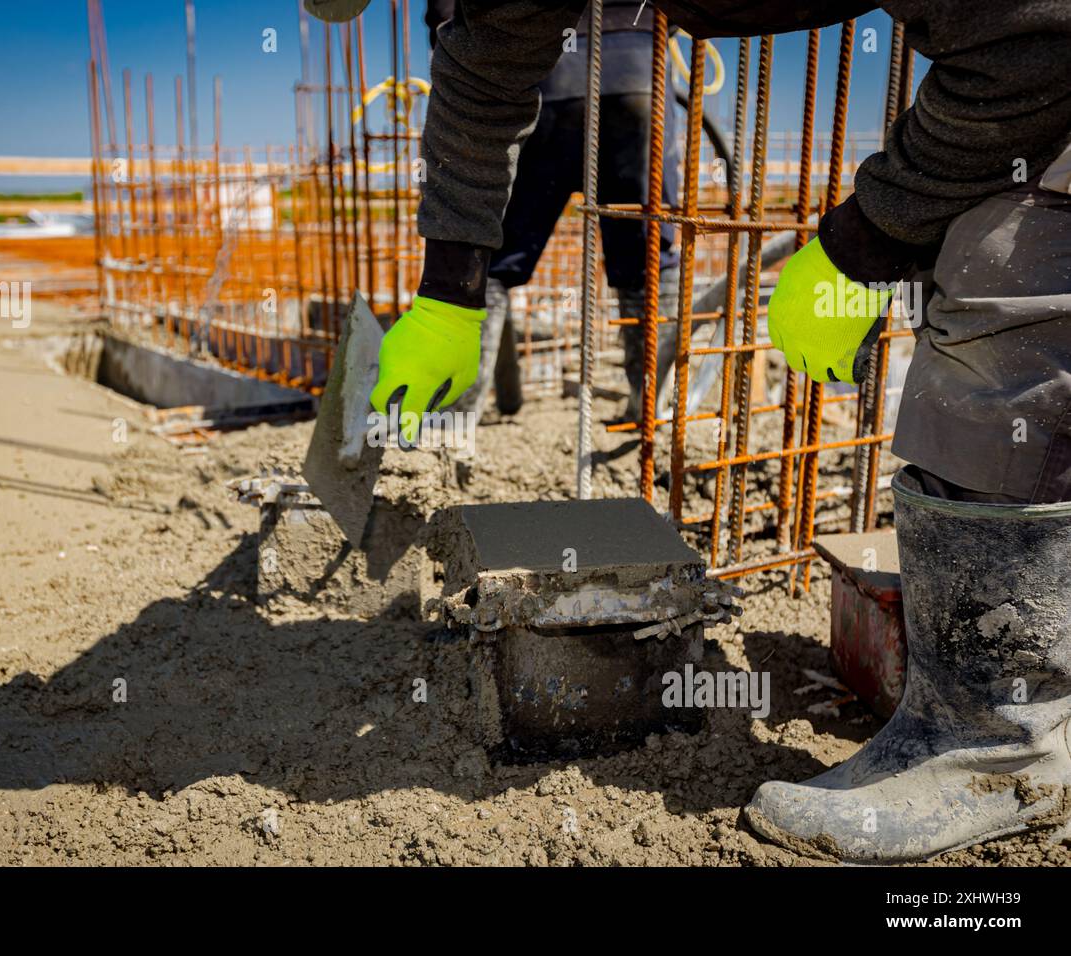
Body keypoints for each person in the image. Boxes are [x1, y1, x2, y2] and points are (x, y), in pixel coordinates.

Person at [307, 0, 1071, 863]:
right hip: (655, 92)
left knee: (1004, 276)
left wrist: (867, 236)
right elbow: (484, 69)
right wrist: (447, 288)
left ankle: (999, 752)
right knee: (663, 274)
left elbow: (1038, 41)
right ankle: (652, 397)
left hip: (1044, 49)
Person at [426, 0, 681, 432]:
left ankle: (453, 422)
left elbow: (450, 17)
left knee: (492, 257)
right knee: (647, 258)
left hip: (541, 80)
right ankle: (653, 413)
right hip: (637, 70)